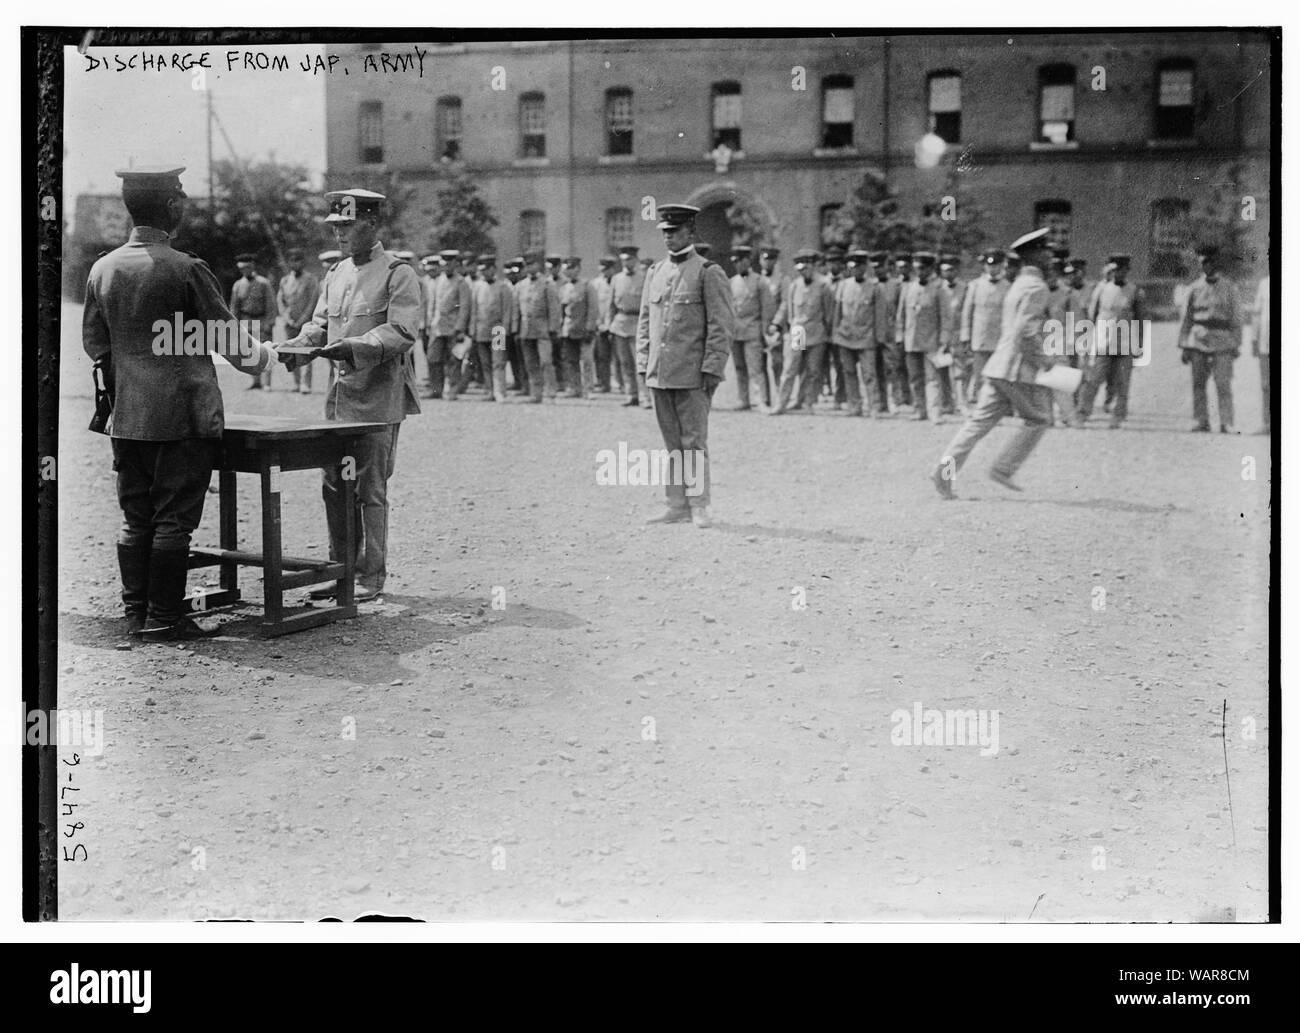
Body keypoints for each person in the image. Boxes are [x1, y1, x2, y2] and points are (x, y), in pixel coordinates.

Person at [82, 166, 277, 640]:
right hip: (182, 418)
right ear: (172, 207)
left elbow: (95, 344)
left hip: (127, 418)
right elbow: (236, 347)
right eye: (182, 200)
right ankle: (164, 618)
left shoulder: (102, 268)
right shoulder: (187, 269)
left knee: (135, 517)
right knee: (173, 520)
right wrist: (271, 355)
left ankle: (136, 614)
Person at [278, 188, 421, 603]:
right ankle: (340, 570)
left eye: (347, 225)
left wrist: (356, 347)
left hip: (377, 401)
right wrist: (295, 348)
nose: (338, 234)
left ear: (372, 225)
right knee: (334, 487)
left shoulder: (398, 273)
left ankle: (370, 578)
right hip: (338, 402)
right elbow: (320, 325)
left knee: (369, 490)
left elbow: (402, 331)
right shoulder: (336, 274)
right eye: (335, 226)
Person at [929, 228, 1057, 499]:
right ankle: (1003, 468)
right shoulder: (1037, 287)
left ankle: (944, 472)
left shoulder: (1018, 285)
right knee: (1039, 419)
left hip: (997, 366)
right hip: (1016, 369)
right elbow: (1027, 331)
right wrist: (1045, 361)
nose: (1049, 256)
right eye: (1045, 251)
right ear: (1034, 255)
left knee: (977, 424)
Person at [636, 203, 734, 527]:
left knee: (693, 442)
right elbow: (645, 322)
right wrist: (642, 363)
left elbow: (721, 325)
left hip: (693, 374)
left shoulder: (708, 272)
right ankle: (676, 504)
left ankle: (699, 503)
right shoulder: (655, 272)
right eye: (665, 232)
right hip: (659, 374)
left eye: (675, 232)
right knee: (671, 443)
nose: (668, 238)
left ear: (690, 232)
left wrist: (712, 368)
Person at [1073, 253, 1145, 429]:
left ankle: (1118, 416)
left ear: (1127, 271)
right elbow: (1092, 316)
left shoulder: (1134, 291)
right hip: (1103, 343)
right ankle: (1082, 413)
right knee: (1094, 380)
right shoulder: (1101, 289)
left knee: (1122, 382)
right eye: (1116, 270)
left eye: (1123, 270)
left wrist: (1139, 345)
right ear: (1112, 271)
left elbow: (1140, 320)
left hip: (1124, 344)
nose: (1119, 273)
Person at [1176, 243, 1241, 433]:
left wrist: (1236, 343)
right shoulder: (1193, 289)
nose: (1207, 266)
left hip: (1222, 340)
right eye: (1203, 262)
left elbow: (1237, 317)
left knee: (1223, 383)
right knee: (1198, 383)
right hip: (1198, 339)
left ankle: (1226, 422)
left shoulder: (1230, 288)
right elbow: (1185, 319)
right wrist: (1184, 345)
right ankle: (1201, 420)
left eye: (1210, 262)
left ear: (1216, 263)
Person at [769, 248, 834, 415]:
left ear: (813, 266)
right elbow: (789, 310)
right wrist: (782, 325)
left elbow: (828, 313)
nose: (803, 271)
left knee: (812, 370)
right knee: (790, 368)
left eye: (806, 267)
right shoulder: (794, 285)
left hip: (816, 332)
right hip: (798, 331)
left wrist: (827, 333)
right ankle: (781, 403)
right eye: (800, 269)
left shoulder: (824, 285)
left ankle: (807, 402)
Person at [896, 251, 955, 422]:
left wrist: (943, 341)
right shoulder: (909, 288)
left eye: (922, 268)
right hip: (911, 340)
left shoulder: (939, 289)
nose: (918, 272)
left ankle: (934, 411)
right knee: (914, 377)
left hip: (931, 341)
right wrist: (900, 336)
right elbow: (901, 315)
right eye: (916, 268)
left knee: (932, 378)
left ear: (930, 268)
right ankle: (919, 409)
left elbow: (946, 318)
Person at [830, 249, 877, 417]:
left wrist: (878, 337)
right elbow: (837, 312)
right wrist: (835, 333)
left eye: (859, 267)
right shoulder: (843, 286)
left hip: (866, 337)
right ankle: (854, 405)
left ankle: (873, 406)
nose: (855, 270)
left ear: (864, 267)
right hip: (845, 336)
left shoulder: (873, 287)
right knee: (848, 373)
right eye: (852, 267)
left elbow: (879, 315)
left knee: (869, 374)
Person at [728, 245, 775, 411]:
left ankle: (761, 400)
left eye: (740, 261)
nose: (737, 265)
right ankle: (743, 399)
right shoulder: (732, 282)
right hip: (736, 332)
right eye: (735, 262)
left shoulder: (760, 281)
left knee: (756, 367)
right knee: (739, 368)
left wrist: (764, 332)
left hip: (753, 330)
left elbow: (767, 309)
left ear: (747, 260)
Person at [514, 250, 562, 403]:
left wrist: (553, 328)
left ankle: (551, 391)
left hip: (543, 330)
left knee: (546, 361)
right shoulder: (521, 285)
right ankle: (536, 393)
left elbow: (554, 309)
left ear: (538, 265)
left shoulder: (548, 284)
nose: (529, 268)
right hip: (526, 330)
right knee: (531, 363)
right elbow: (517, 309)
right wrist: (515, 328)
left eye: (531, 264)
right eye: (526, 265)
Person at [466, 254, 515, 402]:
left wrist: (505, 329)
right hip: (481, 330)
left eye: (487, 269)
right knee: (485, 363)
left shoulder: (503, 287)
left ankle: (500, 391)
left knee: (498, 362)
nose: (484, 273)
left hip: (498, 330)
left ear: (494, 269)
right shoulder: (477, 287)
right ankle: (489, 390)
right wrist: (472, 329)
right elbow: (474, 310)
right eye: (482, 270)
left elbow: (507, 310)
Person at [428, 250, 473, 400]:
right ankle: (436, 390)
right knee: (434, 359)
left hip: (453, 327)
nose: (446, 267)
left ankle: (453, 390)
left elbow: (465, 308)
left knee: (454, 360)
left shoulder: (461, 282)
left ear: (455, 264)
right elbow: (433, 304)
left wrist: (460, 328)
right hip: (437, 327)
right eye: (444, 264)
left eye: (449, 264)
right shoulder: (438, 281)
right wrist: (430, 323)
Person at [231, 252, 278, 390]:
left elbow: (271, 304)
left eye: (246, 268)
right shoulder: (238, 285)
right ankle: (255, 381)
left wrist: (270, 323)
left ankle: (267, 383)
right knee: (249, 352)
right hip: (246, 320)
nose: (244, 271)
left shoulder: (264, 283)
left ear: (252, 266)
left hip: (261, 319)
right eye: (241, 269)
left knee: (266, 350)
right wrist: (234, 326)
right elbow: (234, 307)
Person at [277, 248, 321, 395]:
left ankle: (305, 384)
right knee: (290, 351)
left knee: (305, 351)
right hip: (289, 322)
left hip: (305, 322)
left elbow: (313, 301)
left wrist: (303, 319)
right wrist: (286, 318)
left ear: (303, 262)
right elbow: (281, 301)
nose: (295, 263)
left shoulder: (310, 279)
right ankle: (296, 383)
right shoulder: (285, 280)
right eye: (292, 260)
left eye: (298, 260)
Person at [608, 246, 647, 408]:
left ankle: (646, 397)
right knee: (625, 363)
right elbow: (611, 304)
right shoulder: (616, 278)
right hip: (620, 322)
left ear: (636, 260)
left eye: (630, 259)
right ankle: (631, 395)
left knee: (641, 363)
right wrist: (609, 324)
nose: (627, 262)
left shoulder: (644, 278)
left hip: (638, 322)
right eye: (624, 259)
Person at [559, 256, 600, 397]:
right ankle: (574, 388)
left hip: (584, 329)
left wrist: (590, 328)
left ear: (578, 269)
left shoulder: (587, 285)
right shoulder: (564, 287)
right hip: (568, 329)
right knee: (571, 361)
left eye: (572, 268)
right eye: (566, 269)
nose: (569, 272)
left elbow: (593, 308)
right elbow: (562, 310)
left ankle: (588, 389)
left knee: (587, 361)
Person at [758, 246, 789, 407]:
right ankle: (764, 398)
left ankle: (780, 395)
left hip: (775, 328)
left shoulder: (782, 279)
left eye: (771, 260)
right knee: (759, 365)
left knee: (777, 363)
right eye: (765, 259)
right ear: (760, 260)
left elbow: (785, 303)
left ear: (775, 261)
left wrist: (777, 323)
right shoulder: (757, 279)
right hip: (759, 327)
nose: (767, 263)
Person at [502, 257, 529, 394]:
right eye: (510, 273)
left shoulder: (525, 285)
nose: (513, 275)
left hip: (520, 328)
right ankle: (517, 381)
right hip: (503, 329)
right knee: (510, 357)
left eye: (515, 272)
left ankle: (525, 384)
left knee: (523, 357)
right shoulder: (504, 286)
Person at [592, 256, 618, 393]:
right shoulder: (595, 284)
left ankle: (621, 383)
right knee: (601, 356)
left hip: (616, 325)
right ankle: (603, 383)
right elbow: (594, 306)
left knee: (619, 357)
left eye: (606, 270)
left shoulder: (618, 281)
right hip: (600, 326)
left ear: (612, 269)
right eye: (601, 270)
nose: (603, 273)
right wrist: (598, 324)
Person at [1251, 271, 1270, 435]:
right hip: (1266, 344)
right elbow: (1256, 314)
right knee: (1266, 384)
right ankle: (1267, 423)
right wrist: (1254, 339)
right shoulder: (1264, 284)